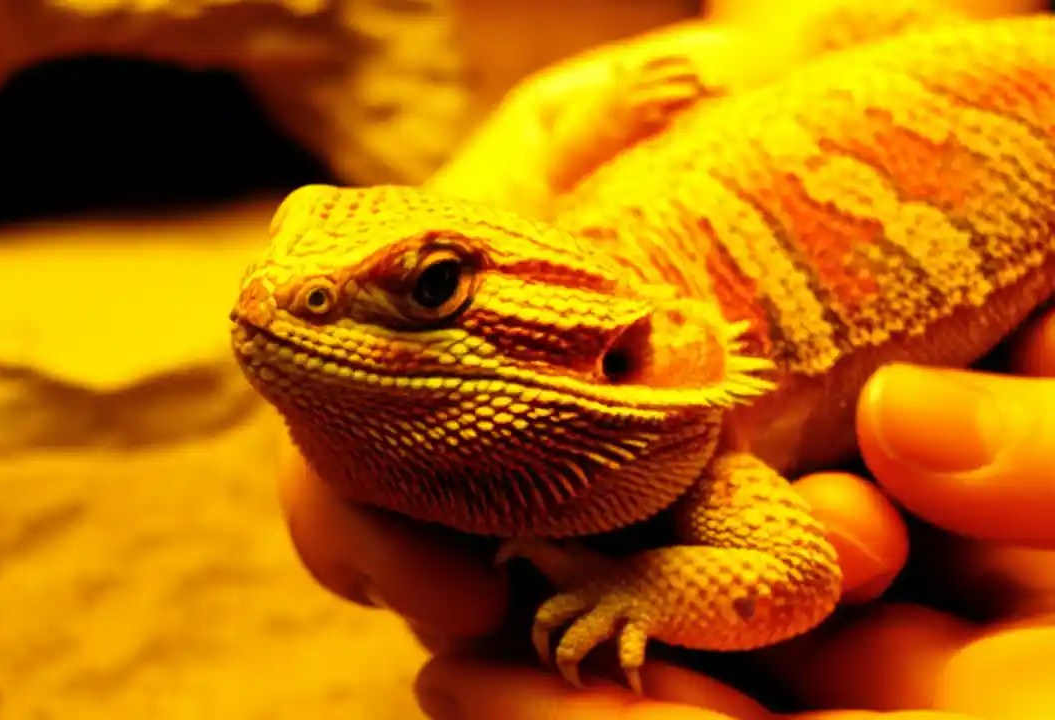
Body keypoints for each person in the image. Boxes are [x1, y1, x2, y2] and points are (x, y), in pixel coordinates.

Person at [276, 3, 1055, 716]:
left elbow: (797, 571)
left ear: (618, 361)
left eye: (435, 286)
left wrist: (633, 587)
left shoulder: (696, 447)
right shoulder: (539, 235)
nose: (280, 293)